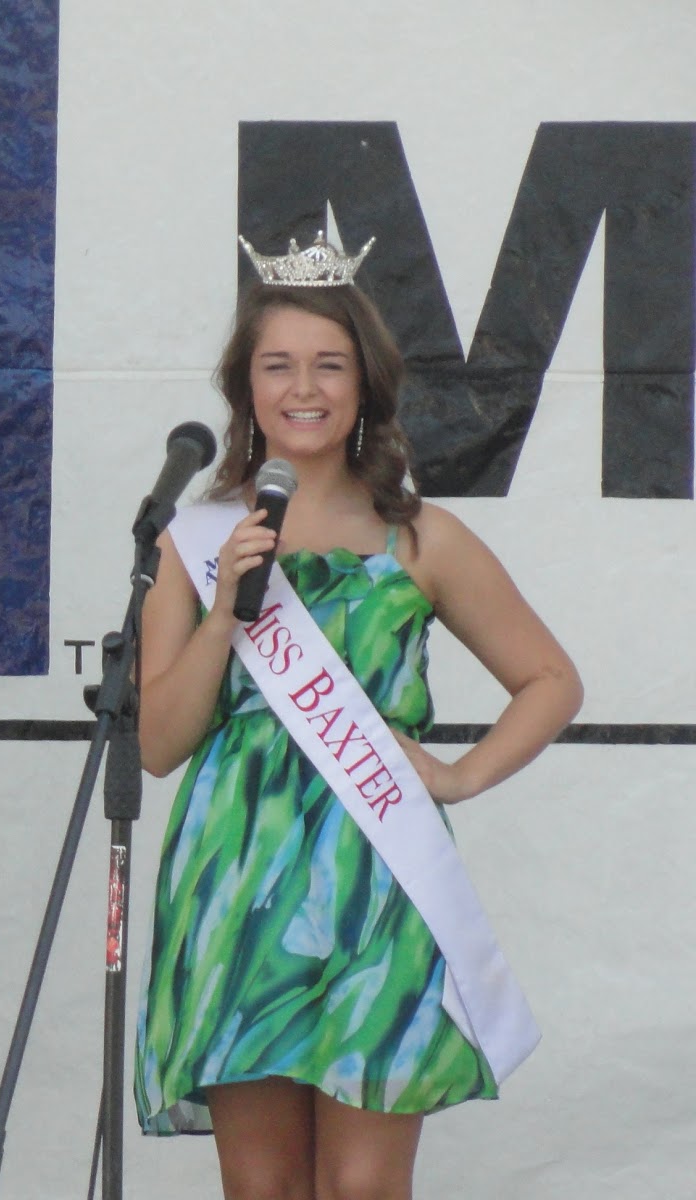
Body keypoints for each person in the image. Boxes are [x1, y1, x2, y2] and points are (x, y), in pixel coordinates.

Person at [131, 232, 582, 1199]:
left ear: (365, 385)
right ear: (244, 388)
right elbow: (159, 745)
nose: (304, 387)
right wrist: (223, 614)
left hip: (377, 876)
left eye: (329, 365)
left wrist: (460, 775)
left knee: (363, 1189)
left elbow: (550, 679)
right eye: (279, 365)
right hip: (236, 881)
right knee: (263, 1191)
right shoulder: (199, 541)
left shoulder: (421, 538)